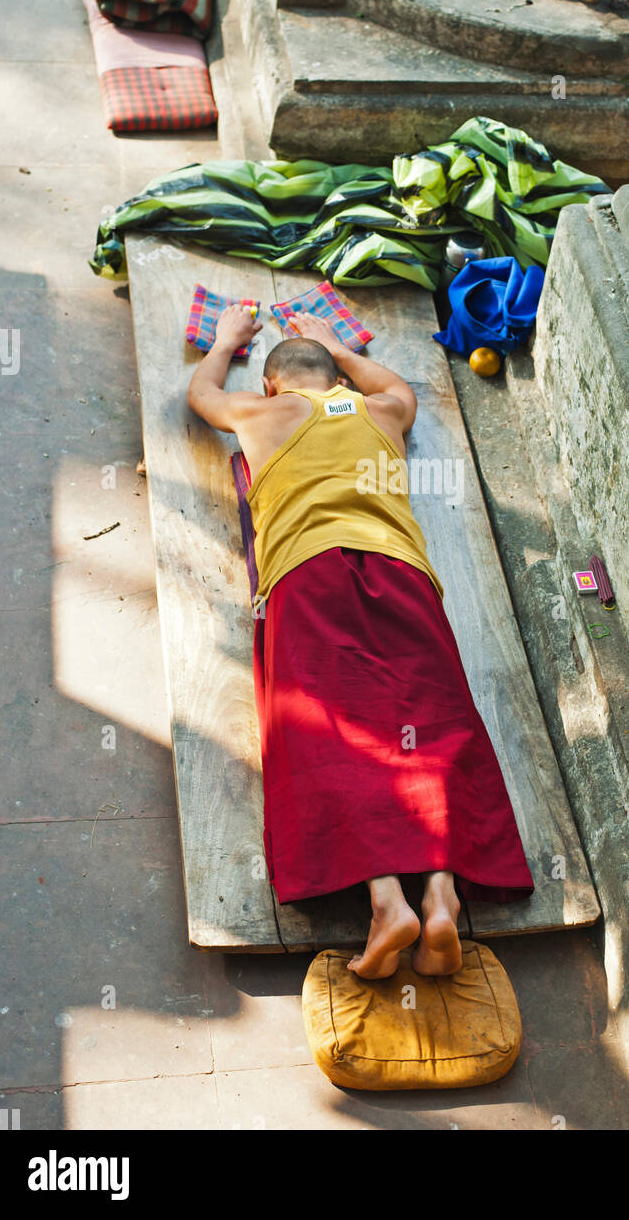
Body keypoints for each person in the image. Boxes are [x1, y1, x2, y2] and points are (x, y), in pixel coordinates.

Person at [187, 304, 533, 979]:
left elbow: (200, 396)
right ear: (337, 378)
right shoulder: (383, 412)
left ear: (272, 387)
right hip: (400, 571)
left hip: (309, 574)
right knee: (424, 724)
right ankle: (439, 893)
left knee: (333, 733)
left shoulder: (263, 416)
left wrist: (227, 340)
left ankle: (384, 902)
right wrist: (339, 346)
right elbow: (395, 385)